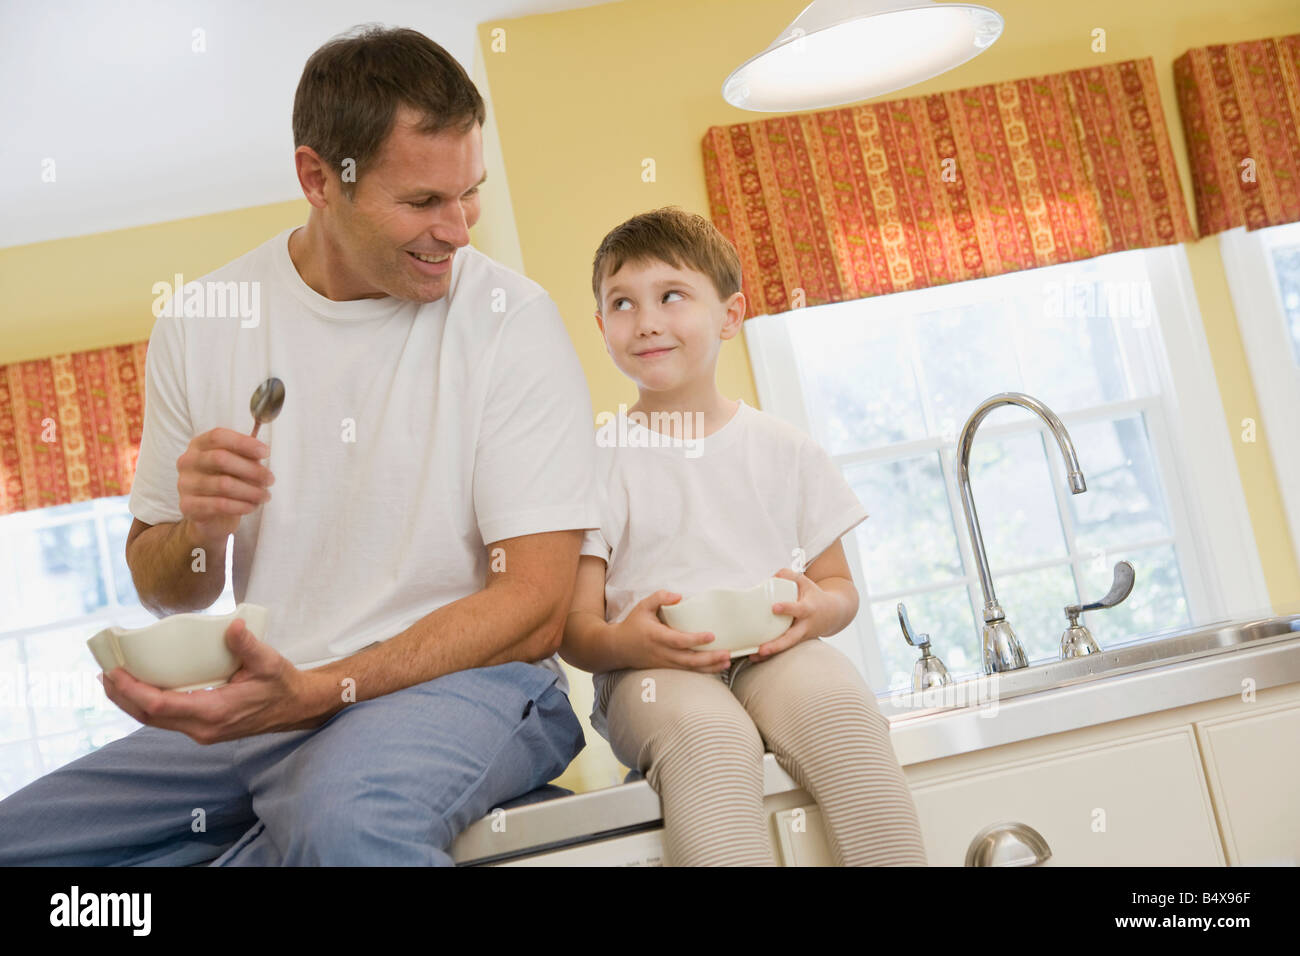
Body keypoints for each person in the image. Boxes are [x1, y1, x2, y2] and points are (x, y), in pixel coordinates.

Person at [0, 25, 596, 866]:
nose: (458, 231)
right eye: (423, 202)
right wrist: (201, 530)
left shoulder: (511, 322)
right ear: (320, 178)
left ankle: (316, 802)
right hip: (267, 702)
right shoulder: (200, 324)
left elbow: (535, 603)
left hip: (464, 685)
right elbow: (163, 587)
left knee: (344, 823)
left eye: (471, 194)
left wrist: (320, 692)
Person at [561, 206, 929, 866]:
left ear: (730, 316)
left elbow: (839, 588)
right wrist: (626, 641)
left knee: (844, 712)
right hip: (649, 670)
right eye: (622, 303)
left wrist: (818, 610)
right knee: (709, 737)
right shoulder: (597, 463)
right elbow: (576, 631)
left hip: (776, 653)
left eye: (671, 295)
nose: (645, 320)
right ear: (601, 328)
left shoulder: (785, 450)